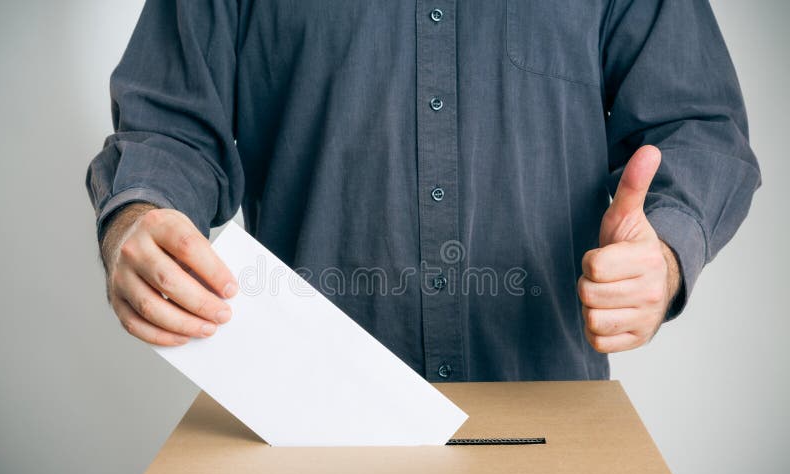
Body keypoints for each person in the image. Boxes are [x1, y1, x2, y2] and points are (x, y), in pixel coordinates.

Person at [87, 1, 760, 382]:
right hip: (305, 417)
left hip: (549, 419)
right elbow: (170, 129)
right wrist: (138, 217)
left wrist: (666, 251)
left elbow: (697, 124)